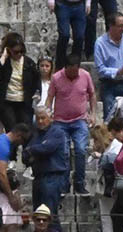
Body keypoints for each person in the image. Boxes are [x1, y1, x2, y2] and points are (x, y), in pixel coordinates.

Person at [46, 53, 96, 195]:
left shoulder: (85, 75)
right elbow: (50, 98)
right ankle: (64, 184)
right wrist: (47, 113)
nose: (73, 75)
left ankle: (79, 183)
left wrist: (93, 114)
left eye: (76, 71)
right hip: (60, 121)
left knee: (80, 150)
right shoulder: (56, 78)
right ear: (65, 68)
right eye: (71, 72)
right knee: (64, 153)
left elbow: (92, 95)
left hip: (79, 120)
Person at [23, 107, 69, 231]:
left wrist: (33, 150)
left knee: (49, 214)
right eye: (38, 118)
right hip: (38, 176)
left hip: (52, 177)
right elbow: (25, 155)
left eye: (43, 118)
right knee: (38, 215)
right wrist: (34, 150)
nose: (40, 121)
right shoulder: (35, 134)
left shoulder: (57, 132)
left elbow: (47, 148)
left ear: (51, 118)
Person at [94, 12, 123, 121]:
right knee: (110, 116)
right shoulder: (100, 43)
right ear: (111, 26)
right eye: (120, 26)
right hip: (109, 84)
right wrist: (118, 71)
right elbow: (100, 69)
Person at [90, 121, 121, 232]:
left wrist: (101, 157)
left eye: (96, 139)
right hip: (104, 188)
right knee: (105, 217)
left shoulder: (116, 147)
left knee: (119, 218)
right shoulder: (102, 149)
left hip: (116, 187)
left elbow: (117, 162)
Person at [0, 33, 40, 137]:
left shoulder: (29, 63)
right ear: (9, 50)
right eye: (16, 52)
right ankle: (12, 153)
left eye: (21, 51)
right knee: (12, 129)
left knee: (26, 129)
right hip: (7, 102)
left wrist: (37, 92)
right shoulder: (4, 63)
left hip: (23, 102)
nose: (19, 54)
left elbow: (37, 79)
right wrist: (3, 58)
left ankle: (26, 152)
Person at [0, 123, 29, 232]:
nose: (21, 144)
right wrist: (11, 196)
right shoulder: (4, 146)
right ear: (18, 136)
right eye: (22, 140)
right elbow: (2, 174)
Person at [51, 0, 89, 72]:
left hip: (80, 5)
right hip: (62, 4)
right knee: (64, 35)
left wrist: (88, 2)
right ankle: (59, 65)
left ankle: (75, 64)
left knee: (79, 36)